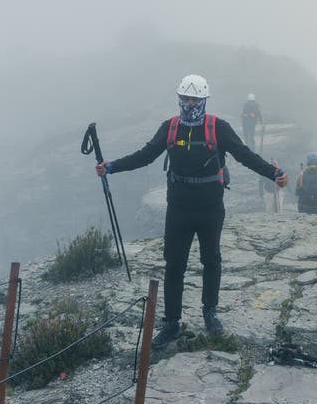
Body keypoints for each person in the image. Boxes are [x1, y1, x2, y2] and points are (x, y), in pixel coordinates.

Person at [95, 74, 288, 347]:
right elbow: (145, 155)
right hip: (178, 208)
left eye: (194, 99)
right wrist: (111, 166)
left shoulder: (218, 128)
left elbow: (244, 155)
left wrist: (273, 173)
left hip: (210, 208)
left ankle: (210, 313)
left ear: (204, 100)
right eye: (185, 98)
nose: (189, 103)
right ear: (179, 98)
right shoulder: (170, 128)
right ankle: (171, 323)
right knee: (174, 265)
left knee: (211, 260)